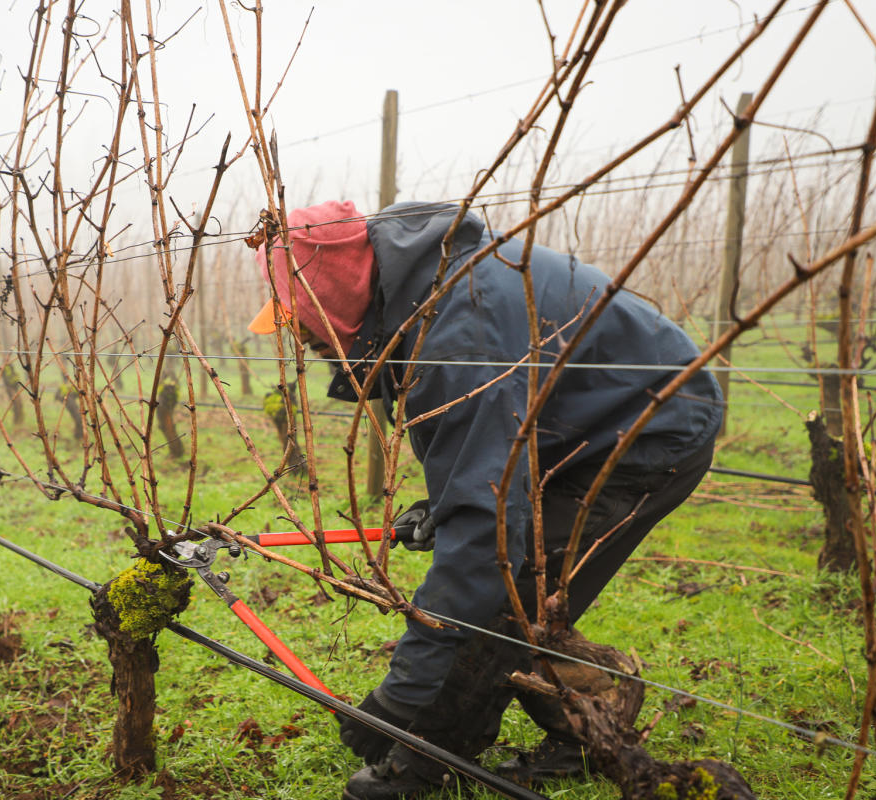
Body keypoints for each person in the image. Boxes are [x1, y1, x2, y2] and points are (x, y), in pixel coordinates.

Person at [247, 200, 723, 800]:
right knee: (520, 591)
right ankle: (590, 708)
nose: (298, 337)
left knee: (507, 591)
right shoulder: (415, 285)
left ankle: (422, 762)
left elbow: (484, 539)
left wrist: (402, 700)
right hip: (577, 425)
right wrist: (442, 502)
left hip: (649, 431)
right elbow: (480, 444)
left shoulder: (457, 323)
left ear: (334, 294)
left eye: (298, 321)